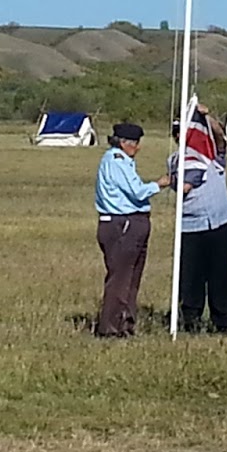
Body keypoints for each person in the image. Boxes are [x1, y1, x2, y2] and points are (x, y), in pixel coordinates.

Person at [94, 122, 170, 337]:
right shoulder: (117, 161)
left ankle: (125, 324)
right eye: (135, 144)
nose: (138, 148)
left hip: (130, 222)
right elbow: (136, 192)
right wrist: (160, 184)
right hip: (122, 224)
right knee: (120, 278)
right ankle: (109, 328)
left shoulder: (121, 161)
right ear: (124, 143)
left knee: (131, 278)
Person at [170, 107, 227, 334]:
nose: (183, 136)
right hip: (190, 225)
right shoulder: (176, 161)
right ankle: (191, 321)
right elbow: (184, 186)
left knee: (222, 277)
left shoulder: (212, 156)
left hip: (218, 223)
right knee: (190, 278)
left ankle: (224, 322)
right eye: (179, 132)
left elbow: (220, 137)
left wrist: (206, 117)